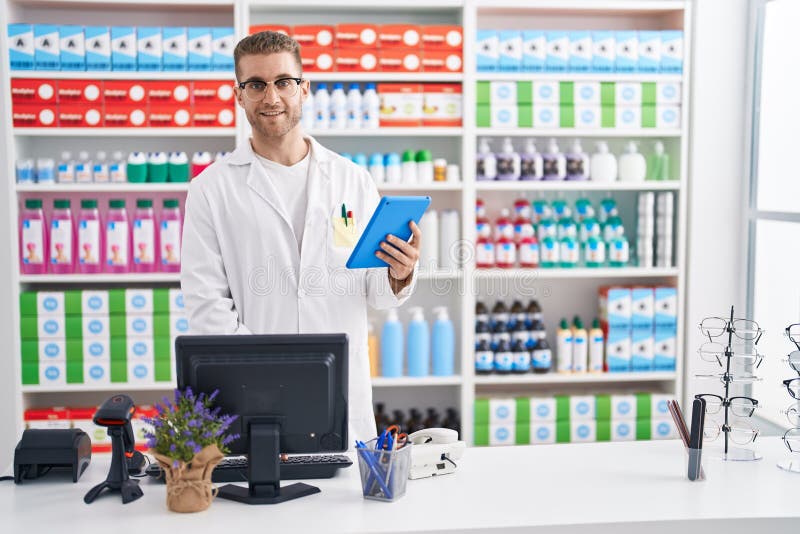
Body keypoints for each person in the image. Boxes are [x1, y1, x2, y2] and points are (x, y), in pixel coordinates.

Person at [180, 31, 421, 443]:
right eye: (255, 84)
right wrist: (271, 371)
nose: (270, 96)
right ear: (238, 95)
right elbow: (206, 307)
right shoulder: (210, 189)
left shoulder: (351, 180)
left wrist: (399, 274)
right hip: (253, 394)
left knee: (344, 504)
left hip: (343, 395)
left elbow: (374, 290)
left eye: (283, 82)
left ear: (304, 89)